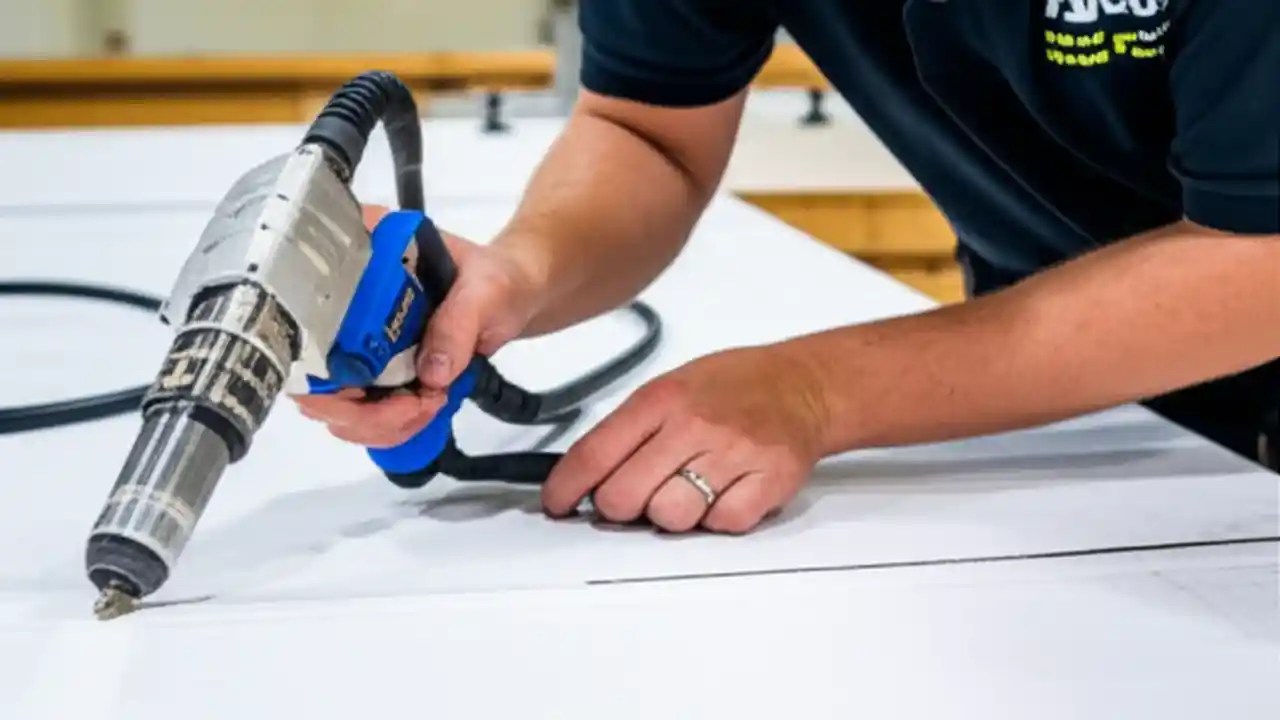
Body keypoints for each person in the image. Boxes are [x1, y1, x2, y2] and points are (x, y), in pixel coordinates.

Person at [296, 0, 1279, 534]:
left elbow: (1261, 262)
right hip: (1090, 405)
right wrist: (518, 273)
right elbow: (646, 128)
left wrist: (816, 389)